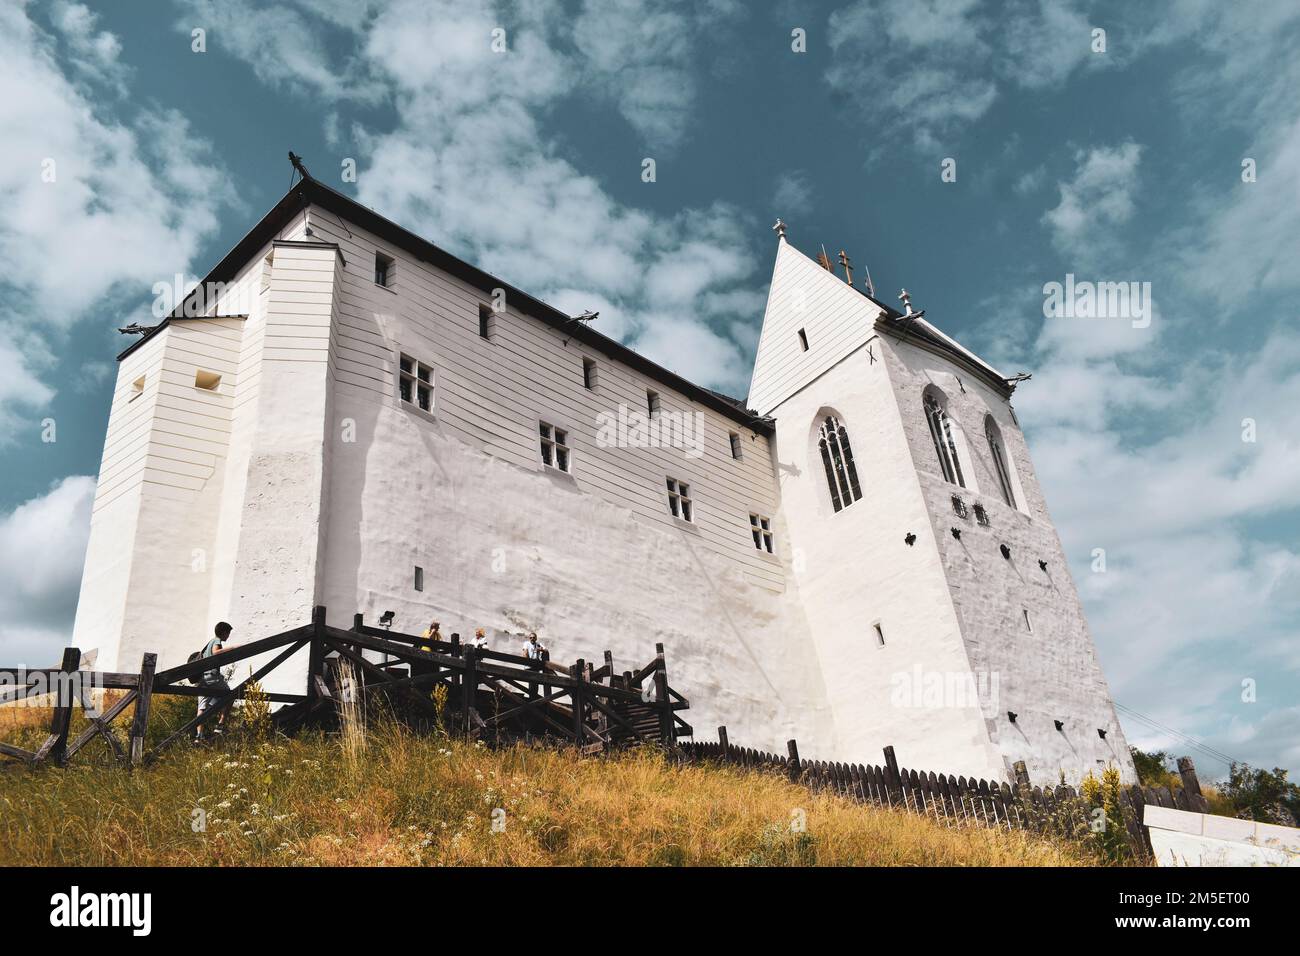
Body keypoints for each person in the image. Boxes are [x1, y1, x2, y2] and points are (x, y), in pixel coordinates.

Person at [196, 622, 233, 741]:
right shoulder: (217, 641)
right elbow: (216, 652)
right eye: (228, 633)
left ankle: (199, 735)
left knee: (202, 707)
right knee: (229, 695)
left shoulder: (209, 643)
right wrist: (232, 648)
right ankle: (220, 724)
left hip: (202, 679)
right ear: (224, 632)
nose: (228, 636)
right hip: (212, 678)